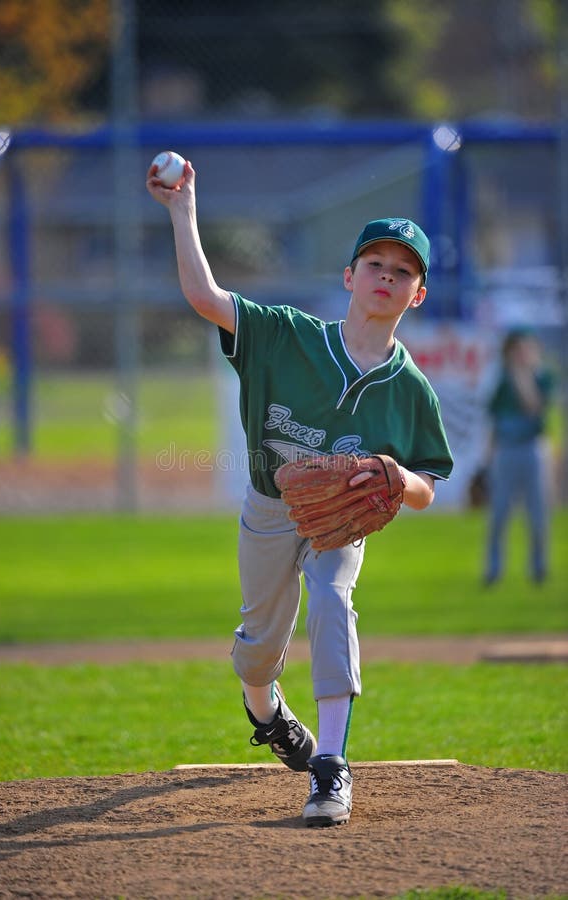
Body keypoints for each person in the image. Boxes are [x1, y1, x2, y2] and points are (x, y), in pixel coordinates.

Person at [147, 159, 453, 827]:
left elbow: (427, 482)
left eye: (402, 271)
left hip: (341, 526)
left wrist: (399, 480)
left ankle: (331, 765)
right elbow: (204, 297)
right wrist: (182, 209)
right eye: (374, 263)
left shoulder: (410, 392)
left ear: (417, 295)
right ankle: (268, 714)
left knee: (332, 596)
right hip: (267, 510)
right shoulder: (286, 336)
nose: (386, 277)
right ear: (348, 277)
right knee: (259, 646)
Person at [483, 328, 555, 585]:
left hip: (532, 448)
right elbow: (493, 418)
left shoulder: (542, 377)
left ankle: (538, 569)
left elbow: (534, 406)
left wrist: (522, 372)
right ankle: (493, 570)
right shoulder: (501, 379)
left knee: (537, 514)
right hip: (506, 449)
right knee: (499, 513)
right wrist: (488, 456)